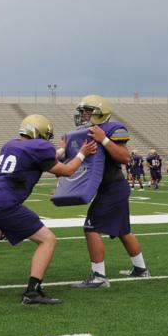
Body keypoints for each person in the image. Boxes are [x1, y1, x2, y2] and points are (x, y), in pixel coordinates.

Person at [0, 114, 97, 305]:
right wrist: (82, 153)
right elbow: (67, 170)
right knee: (48, 240)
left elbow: (42, 160)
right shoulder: (40, 147)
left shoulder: (11, 145)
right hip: (2, 202)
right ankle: (32, 291)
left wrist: (62, 150)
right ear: (40, 133)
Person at [71, 95, 150, 289]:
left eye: (87, 111)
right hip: (110, 187)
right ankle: (141, 270)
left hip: (113, 187)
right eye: (82, 111)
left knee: (91, 227)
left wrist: (104, 139)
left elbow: (124, 157)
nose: (83, 114)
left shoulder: (112, 129)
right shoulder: (86, 131)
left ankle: (99, 277)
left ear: (100, 112)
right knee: (123, 230)